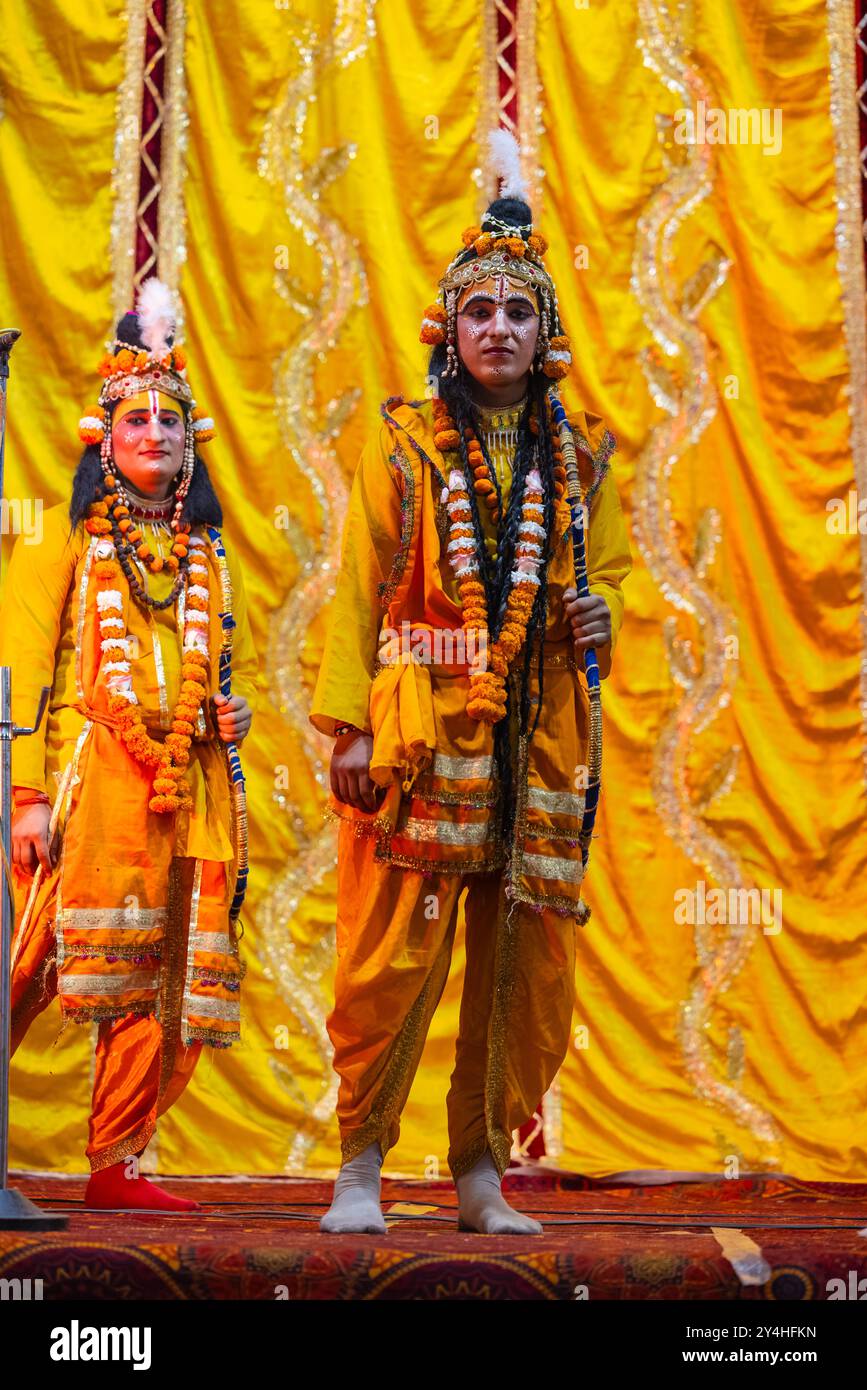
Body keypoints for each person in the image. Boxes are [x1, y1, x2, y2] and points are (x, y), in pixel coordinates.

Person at [310, 132, 633, 1235]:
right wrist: (346, 724)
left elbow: (614, 585)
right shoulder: (402, 441)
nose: (499, 328)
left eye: (520, 313)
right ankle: (360, 1165)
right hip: (420, 730)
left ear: (547, 338)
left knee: (520, 966)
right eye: (481, 312)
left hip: (537, 734)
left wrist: (606, 616)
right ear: (449, 331)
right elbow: (357, 591)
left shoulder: (582, 457)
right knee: (392, 959)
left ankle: (481, 1173)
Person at [1, 279, 259, 1211]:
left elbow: (213, 670)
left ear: (194, 443)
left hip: (187, 787)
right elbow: (20, 674)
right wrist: (23, 799)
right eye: (136, 419)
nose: (156, 432)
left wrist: (228, 718)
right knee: (25, 965)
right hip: (85, 786)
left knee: (169, 971)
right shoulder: (63, 543)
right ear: (103, 440)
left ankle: (115, 1166)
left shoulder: (207, 556)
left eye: (173, 421)